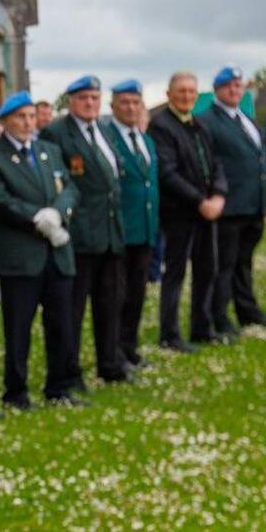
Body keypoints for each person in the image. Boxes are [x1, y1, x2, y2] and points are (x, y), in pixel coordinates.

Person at [0, 91, 80, 409]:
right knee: (19, 328)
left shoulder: (48, 150)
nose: (27, 123)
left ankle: (59, 387)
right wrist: (36, 218)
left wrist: (58, 213)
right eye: (20, 117)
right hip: (21, 254)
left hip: (57, 252)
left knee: (61, 324)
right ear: (6, 121)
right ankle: (16, 391)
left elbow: (70, 189)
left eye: (31, 117)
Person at [39, 75, 128, 391]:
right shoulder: (57, 133)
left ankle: (111, 362)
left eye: (94, 97)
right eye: (83, 98)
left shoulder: (103, 130)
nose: (90, 103)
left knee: (110, 303)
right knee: (72, 309)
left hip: (109, 231)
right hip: (79, 233)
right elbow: (61, 181)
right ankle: (69, 369)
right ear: (70, 101)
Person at [150, 71, 227, 351]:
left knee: (207, 269)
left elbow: (216, 163)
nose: (186, 96)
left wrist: (218, 195)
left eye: (191, 92)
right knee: (176, 272)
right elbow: (167, 173)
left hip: (207, 211)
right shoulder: (161, 126)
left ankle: (202, 327)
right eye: (181, 91)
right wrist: (199, 201)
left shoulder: (199, 125)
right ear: (168, 94)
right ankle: (169, 334)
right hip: (179, 212)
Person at [201, 67, 266, 331]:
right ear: (217, 90)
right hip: (230, 205)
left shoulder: (247, 119)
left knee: (244, 263)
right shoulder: (208, 120)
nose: (234, 90)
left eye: (238, 85)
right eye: (228, 86)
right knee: (225, 265)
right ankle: (219, 316)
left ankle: (247, 310)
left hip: (253, 203)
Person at [107, 80, 159, 371]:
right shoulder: (108, 137)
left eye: (135, 102)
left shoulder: (145, 140)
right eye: (124, 102)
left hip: (145, 229)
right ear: (113, 105)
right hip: (121, 231)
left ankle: (130, 347)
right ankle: (113, 351)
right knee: (117, 296)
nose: (130, 108)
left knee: (137, 294)